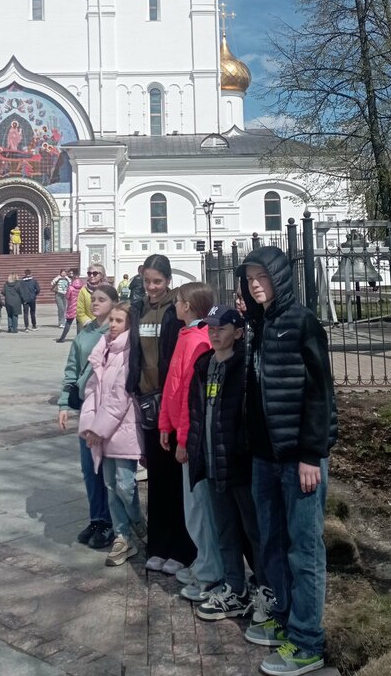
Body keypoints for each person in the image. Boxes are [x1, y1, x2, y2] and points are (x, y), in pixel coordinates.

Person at [237, 247, 337, 676]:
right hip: (265, 456)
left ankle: (307, 642)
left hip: (298, 459)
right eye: (250, 278)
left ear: (280, 276)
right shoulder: (260, 324)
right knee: (272, 545)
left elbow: (319, 393)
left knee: (304, 549)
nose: (256, 283)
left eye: (263, 276)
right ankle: (284, 620)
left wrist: (311, 455)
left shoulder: (302, 322)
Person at [187, 305, 272, 624]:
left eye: (221, 328)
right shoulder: (204, 364)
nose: (213, 333)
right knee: (224, 530)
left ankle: (267, 590)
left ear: (237, 333)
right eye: (210, 327)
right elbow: (197, 413)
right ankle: (234, 587)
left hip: (239, 464)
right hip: (211, 462)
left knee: (254, 531)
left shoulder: (246, 366)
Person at [126, 253, 193, 575]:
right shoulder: (138, 308)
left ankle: (181, 548)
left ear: (167, 281)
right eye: (148, 281)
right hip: (147, 402)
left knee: (175, 480)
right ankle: (158, 545)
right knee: (157, 479)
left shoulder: (175, 310)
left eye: (158, 281)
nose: (152, 287)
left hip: (171, 402)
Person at [159, 282, 221, 602]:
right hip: (183, 432)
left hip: (192, 438)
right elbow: (173, 385)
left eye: (179, 301)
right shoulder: (188, 337)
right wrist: (164, 423)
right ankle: (204, 561)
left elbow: (188, 396)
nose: (174, 306)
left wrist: (183, 436)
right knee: (193, 505)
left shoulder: (198, 341)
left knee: (200, 507)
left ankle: (211, 570)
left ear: (189, 306)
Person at [79, 301, 145, 567]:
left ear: (129, 324)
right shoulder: (103, 349)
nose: (113, 325)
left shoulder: (129, 352)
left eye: (119, 321)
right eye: (112, 320)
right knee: (109, 485)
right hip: (101, 430)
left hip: (122, 428)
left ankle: (138, 521)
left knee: (125, 484)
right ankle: (123, 536)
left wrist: (99, 428)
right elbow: (92, 391)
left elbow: (121, 395)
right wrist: (89, 425)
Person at [58, 283, 118, 551]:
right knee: (88, 467)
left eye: (101, 299)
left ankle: (115, 522)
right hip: (87, 409)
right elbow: (72, 370)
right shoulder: (84, 335)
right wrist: (63, 403)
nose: (95, 303)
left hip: (110, 410)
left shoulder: (118, 332)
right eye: (93, 299)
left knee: (110, 470)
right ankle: (98, 518)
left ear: (114, 303)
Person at [77, 264, 106, 331]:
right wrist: (90, 323)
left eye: (95, 273)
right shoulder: (83, 290)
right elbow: (80, 311)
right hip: (89, 328)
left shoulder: (108, 289)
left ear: (101, 275)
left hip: (106, 327)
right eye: (89, 273)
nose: (91, 276)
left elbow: (114, 308)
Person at [57, 271, 82, 342]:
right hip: (80, 307)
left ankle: (62, 338)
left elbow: (67, 297)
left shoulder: (71, 288)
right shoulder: (83, 288)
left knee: (68, 323)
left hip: (71, 308)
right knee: (79, 325)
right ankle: (79, 338)